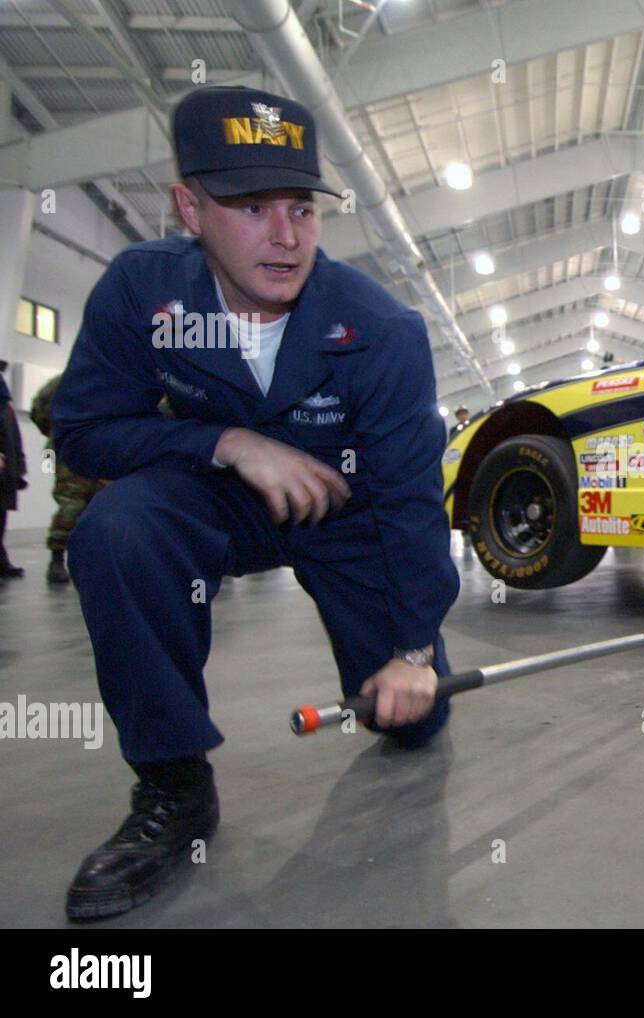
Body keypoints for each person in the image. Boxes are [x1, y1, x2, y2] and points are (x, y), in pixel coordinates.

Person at [52, 85, 461, 920]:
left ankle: (403, 668)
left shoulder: (380, 330)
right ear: (189, 207)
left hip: (352, 518)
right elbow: (87, 431)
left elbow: (415, 503)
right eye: (249, 206)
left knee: (410, 724)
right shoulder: (144, 294)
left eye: (301, 209)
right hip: (223, 498)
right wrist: (227, 443)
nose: (285, 237)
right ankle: (173, 785)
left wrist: (414, 649)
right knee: (120, 529)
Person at [28, 373, 108, 584]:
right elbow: (38, 411)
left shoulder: (117, 377)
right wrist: (58, 433)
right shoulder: (65, 380)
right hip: (69, 451)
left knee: (102, 507)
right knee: (71, 506)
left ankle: (91, 560)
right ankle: (56, 560)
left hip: (102, 451)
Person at [0, 358, 28, 580]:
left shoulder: (6, 406)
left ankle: (1, 560)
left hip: (5, 473)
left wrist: (19, 470)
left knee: (1, 519)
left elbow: (14, 440)